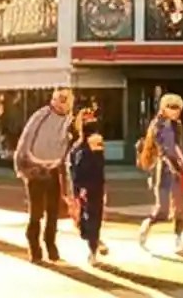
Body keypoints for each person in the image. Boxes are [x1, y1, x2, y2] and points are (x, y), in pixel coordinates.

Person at [14, 87, 74, 263]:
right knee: (37, 211)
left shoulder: (69, 120)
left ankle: (50, 243)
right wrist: (23, 166)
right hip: (35, 169)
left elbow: (67, 144)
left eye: (67, 99)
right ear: (54, 99)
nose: (64, 102)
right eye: (60, 98)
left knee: (54, 211)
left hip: (53, 168)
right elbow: (26, 138)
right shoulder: (41, 115)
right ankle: (34, 244)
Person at [137, 93, 183, 256]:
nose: (175, 111)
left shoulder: (178, 126)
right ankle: (146, 226)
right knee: (163, 209)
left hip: (177, 168)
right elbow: (163, 150)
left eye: (178, 108)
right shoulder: (157, 125)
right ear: (164, 108)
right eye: (171, 107)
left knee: (180, 207)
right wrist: (175, 166)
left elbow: (178, 148)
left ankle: (179, 240)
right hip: (162, 169)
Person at [69, 109, 109, 264]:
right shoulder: (79, 147)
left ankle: (94, 245)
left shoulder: (90, 144)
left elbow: (99, 166)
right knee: (88, 219)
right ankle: (94, 243)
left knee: (93, 217)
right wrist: (77, 188)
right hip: (86, 186)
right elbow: (75, 168)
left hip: (93, 186)